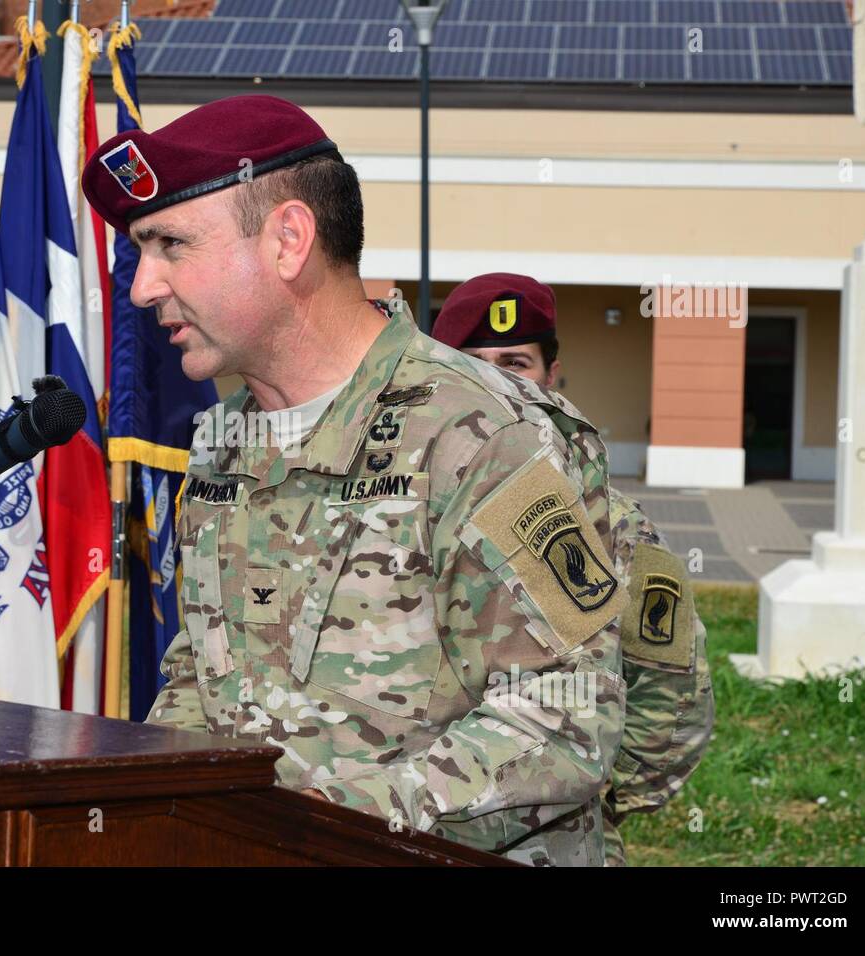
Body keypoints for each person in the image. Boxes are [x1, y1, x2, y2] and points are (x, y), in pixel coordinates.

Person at [83, 96, 627, 866]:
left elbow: (568, 713)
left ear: (288, 239)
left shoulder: (483, 431)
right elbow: (197, 672)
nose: (143, 287)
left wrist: (311, 835)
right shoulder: (219, 444)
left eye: (170, 243)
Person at [431, 273, 715, 866]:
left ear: (551, 373)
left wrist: (594, 792)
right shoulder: (402, 508)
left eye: (516, 361)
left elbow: (670, 694)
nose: (496, 380)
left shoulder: (613, 524)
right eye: (472, 362)